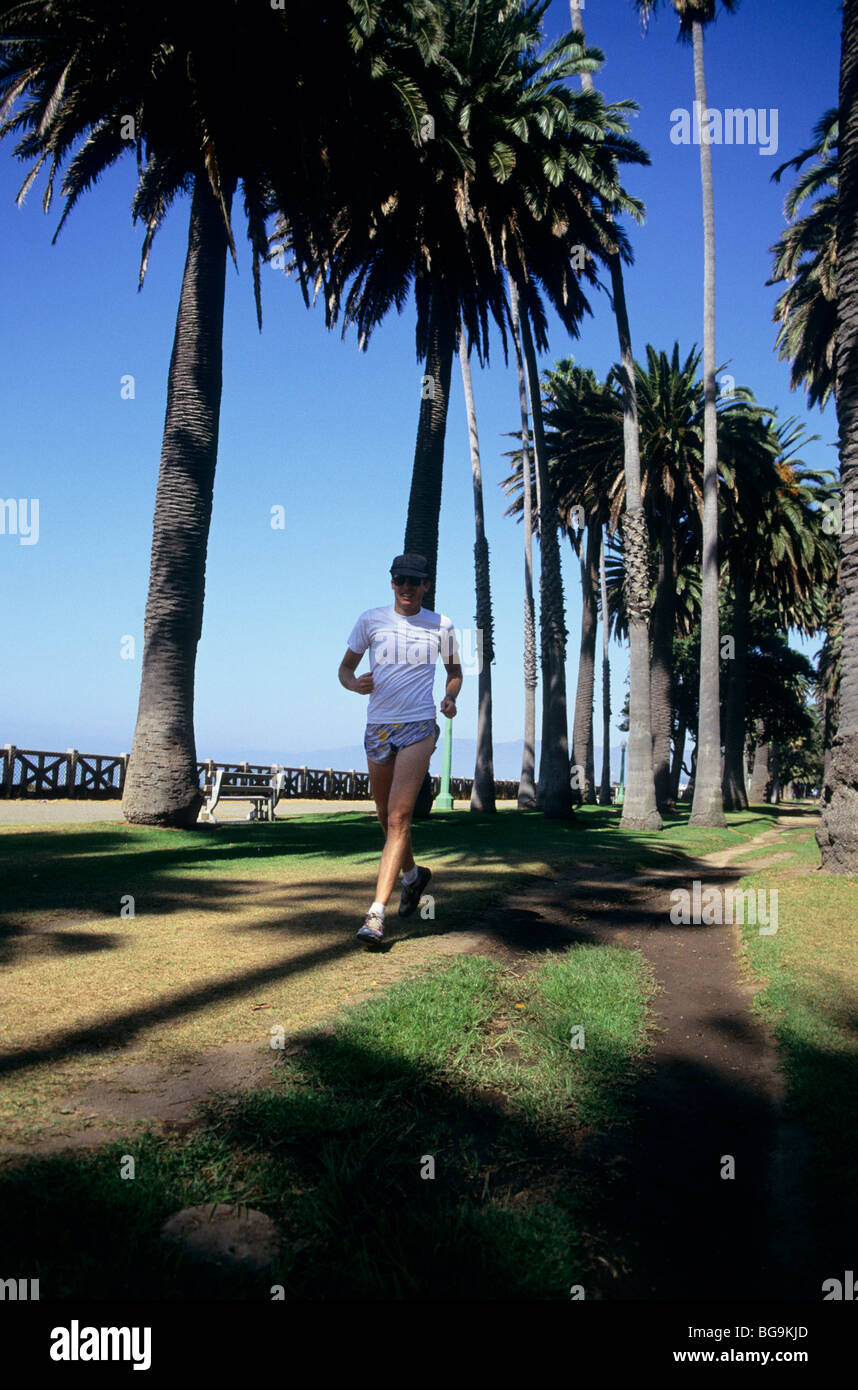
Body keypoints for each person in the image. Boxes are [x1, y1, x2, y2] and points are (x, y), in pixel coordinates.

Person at [338, 553, 462, 945]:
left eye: (414, 581)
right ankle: (413, 877)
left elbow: (455, 672)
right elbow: (344, 669)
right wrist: (354, 683)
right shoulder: (370, 620)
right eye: (400, 579)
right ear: (391, 582)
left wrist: (449, 697)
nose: (406, 587)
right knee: (383, 816)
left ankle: (375, 915)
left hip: (419, 727)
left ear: (426, 585)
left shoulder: (441, 625)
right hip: (377, 728)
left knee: (398, 817)